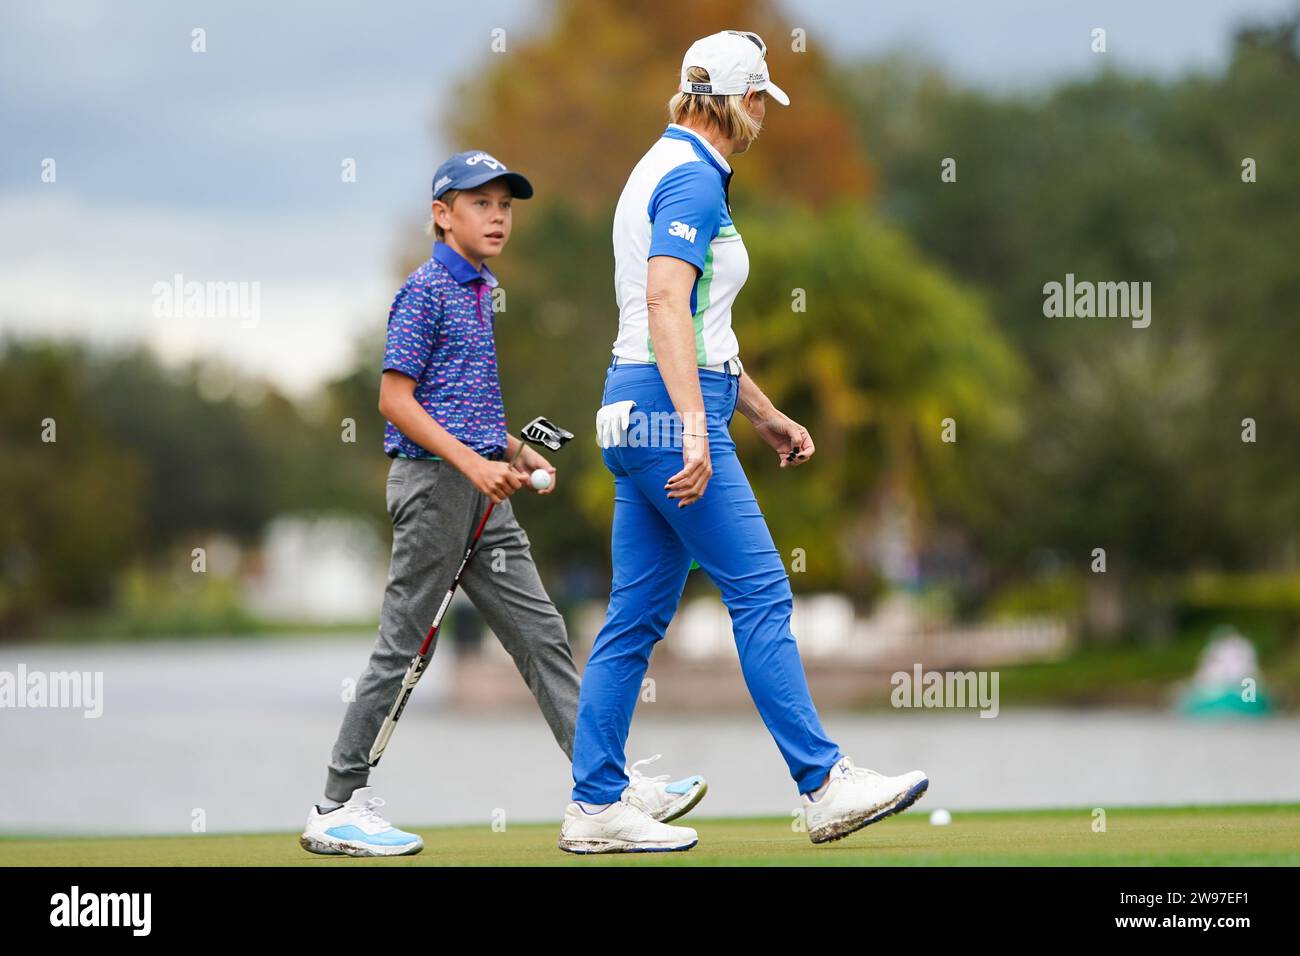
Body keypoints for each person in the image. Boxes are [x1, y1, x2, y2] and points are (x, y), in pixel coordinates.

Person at [559, 31, 928, 854]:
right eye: (759, 98)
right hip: (665, 415)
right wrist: (698, 429)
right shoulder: (692, 178)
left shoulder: (661, 164)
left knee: (632, 619)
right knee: (762, 594)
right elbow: (664, 305)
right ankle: (823, 784)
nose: (763, 113)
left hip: (636, 409)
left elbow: (698, 324)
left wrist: (757, 409)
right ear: (735, 103)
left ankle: (594, 804)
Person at [300, 150, 706, 857]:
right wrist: (472, 463)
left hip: (484, 491)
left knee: (542, 634)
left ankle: (604, 789)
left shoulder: (480, 290)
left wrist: (512, 450)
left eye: (505, 205)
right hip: (433, 491)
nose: (497, 216)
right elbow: (395, 400)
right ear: (442, 214)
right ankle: (336, 805)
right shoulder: (425, 290)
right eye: (480, 203)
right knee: (401, 647)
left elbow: (457, 403)